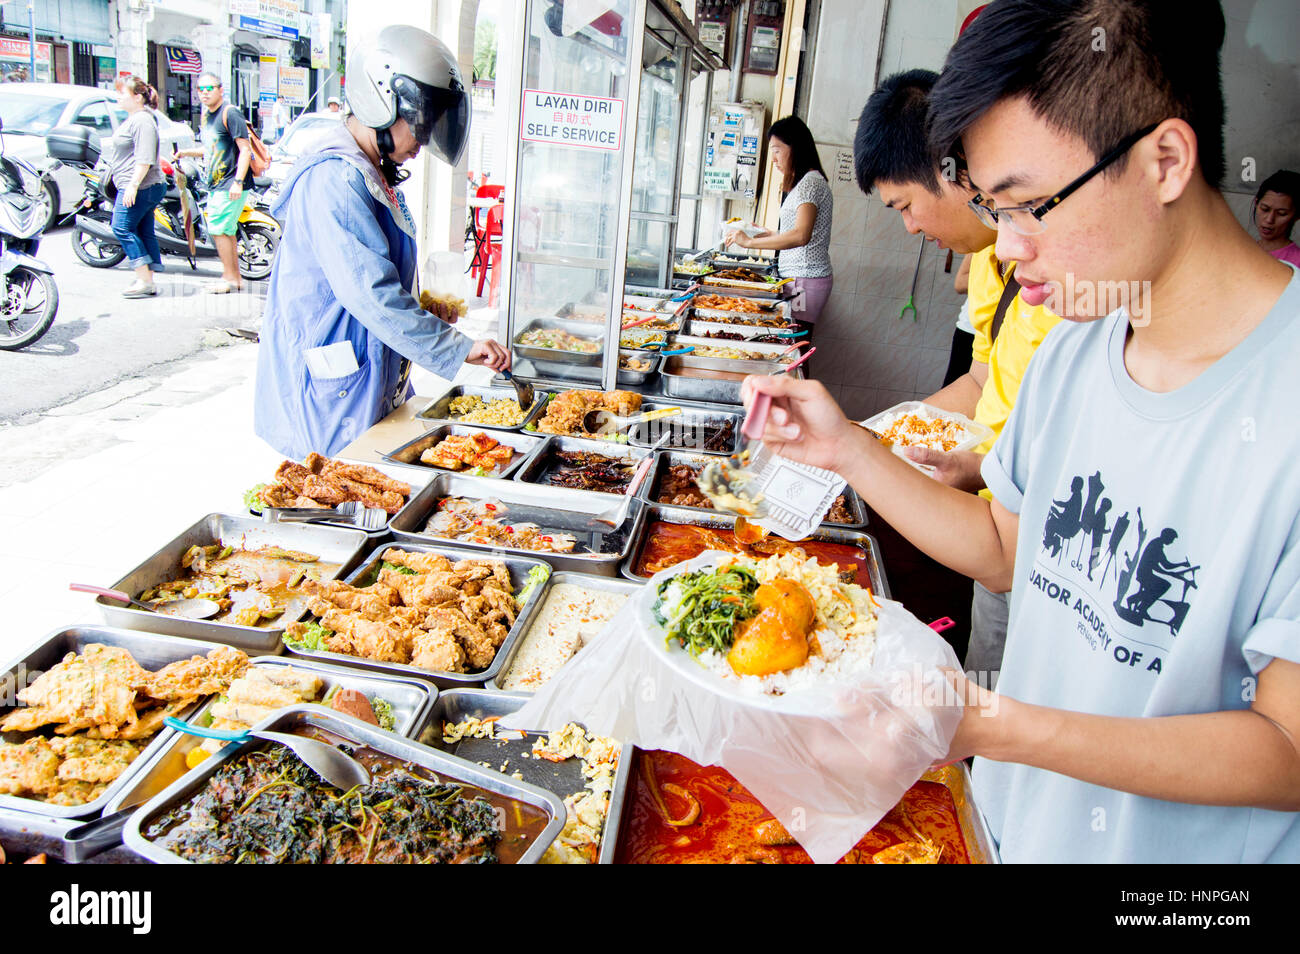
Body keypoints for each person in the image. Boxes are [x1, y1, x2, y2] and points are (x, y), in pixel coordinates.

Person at [744, 0, 1300, 863]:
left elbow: (1288, 752)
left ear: (1164, 160)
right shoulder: (1077, 350)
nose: (1005, 248)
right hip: (998, 829)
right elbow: (1009, 549)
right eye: (993, 209)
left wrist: (993, 725)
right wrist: (849, 445)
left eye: (1029, 204)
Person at [853, 68, 1061, 681]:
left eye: (906, 207)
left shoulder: (1077, 288)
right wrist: (875, 437)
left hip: (1028, 541)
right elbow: (980, 381)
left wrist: (860, 452)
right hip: (995, 516)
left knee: (1001, 705)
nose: (911, 228)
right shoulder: (993, 261)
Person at [254, 24, 510, 459]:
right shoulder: (335, 177)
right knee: (336, 493)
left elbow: (371, 276)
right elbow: (371, 295)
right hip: (333, 384)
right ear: (381, 100)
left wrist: (423, 309)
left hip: (368, 371)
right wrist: (458, 348)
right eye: (422, 123)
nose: (425, 140)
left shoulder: (372, 173)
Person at [723, 116, 832, 337]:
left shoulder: (810, 184)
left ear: (796, 147)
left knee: (795, 344)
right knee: (793, 340)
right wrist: (764, 233)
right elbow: (794, 232)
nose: (773, 159)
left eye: (777, 150)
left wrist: (751, 242)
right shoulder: (805, 182)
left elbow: (801, 235)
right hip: (799, 278)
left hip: (805, 280)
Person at [175, 74, 252, 294]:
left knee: (219, 229)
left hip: (230, 181)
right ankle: (234, 278)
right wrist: (186, 152)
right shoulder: (207, 116)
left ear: (220, 89)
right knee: (225, 231)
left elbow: (245, 150)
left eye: (209, 88)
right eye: (200, 89)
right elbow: (212, 150)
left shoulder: (230, 113)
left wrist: (237, 182)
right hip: (215, 182)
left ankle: (229, 278)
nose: (204, 92)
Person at [106, 75, 167, 298]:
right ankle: (148, 279)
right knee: (143, 230)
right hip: (140, 184)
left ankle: (143, 278)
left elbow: (144, 158)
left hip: (141, 186)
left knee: (121, 227)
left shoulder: (142, 120)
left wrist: (132, 186)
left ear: (138, 97)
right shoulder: (137, 119)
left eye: (122, 93)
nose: (118, 97)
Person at [1253, 169, 1300, 267]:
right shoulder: (1243, 250)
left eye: (1282, 213)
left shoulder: (1297, 262)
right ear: (1256, 203)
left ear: (1296, 216)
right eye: (1265, 209)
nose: (1269, 219)